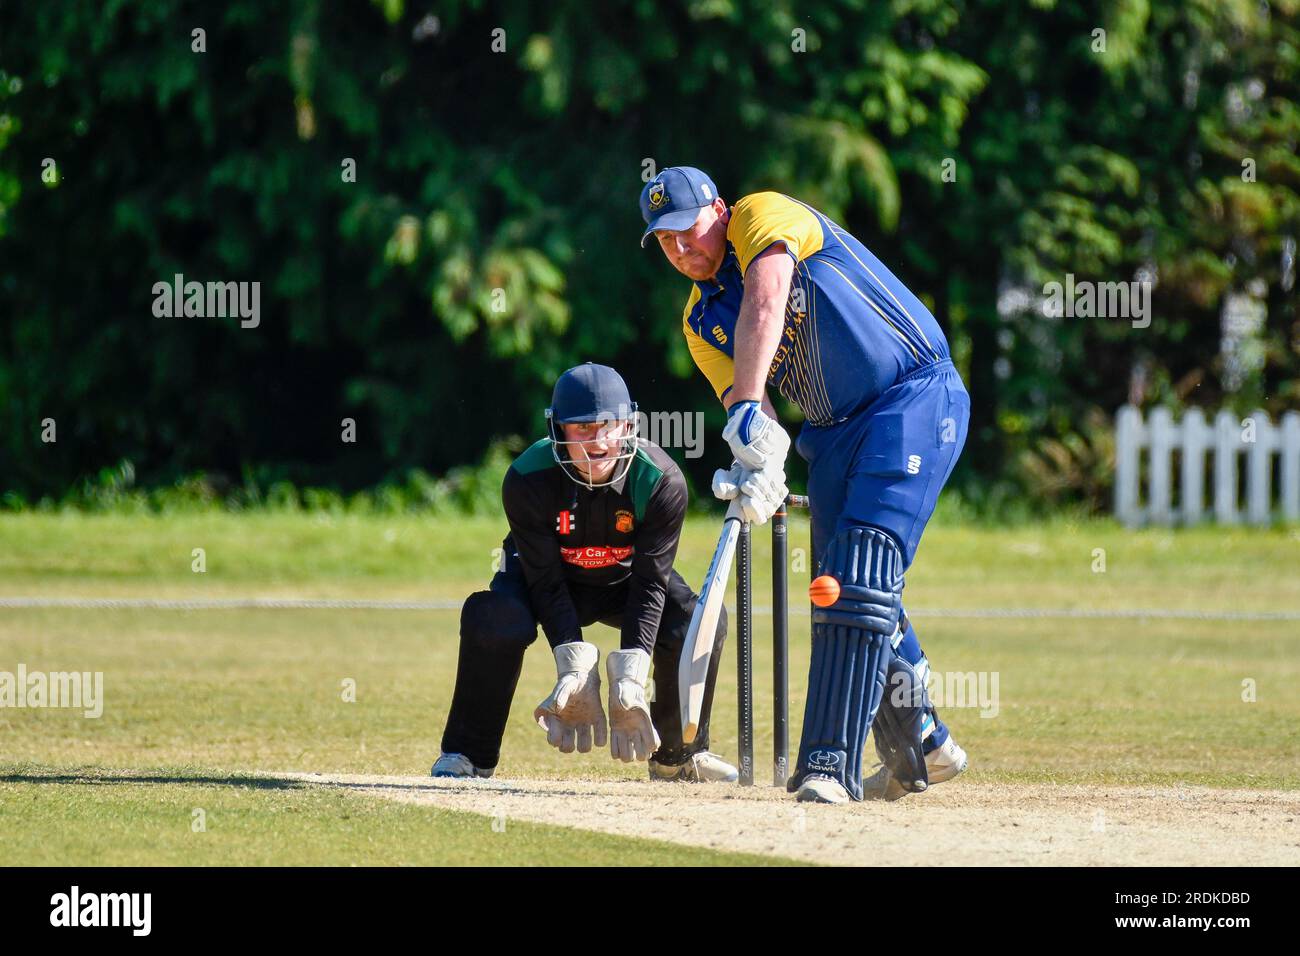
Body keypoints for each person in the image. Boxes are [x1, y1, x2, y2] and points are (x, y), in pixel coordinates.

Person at [640, 166, 970, 803]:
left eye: (689, 230)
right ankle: (924, 741)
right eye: (666, 241)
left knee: (861, 572)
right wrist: (758, 463)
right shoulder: (698, 322)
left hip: (912, 397)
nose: (682, 249)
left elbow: (767, 301)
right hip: (834, 432)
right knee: (836, 590)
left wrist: (747, 407)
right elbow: (750, 412)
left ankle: (827, 766)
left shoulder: (760, 214)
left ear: (719, 206)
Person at [431, 362, 738, 783]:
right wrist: (574, 665)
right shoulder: (526, 477)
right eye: (582, 429)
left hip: (626, 579)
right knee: (493, 617)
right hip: (544, 576)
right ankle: (467, 755)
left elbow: (651, 582)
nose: (599, 442)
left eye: (609, 425)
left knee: (698, 621)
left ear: (629, 423)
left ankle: (678, 756)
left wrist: (631, 675)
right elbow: (544, 580)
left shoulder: (661, 479)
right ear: (557, 430)